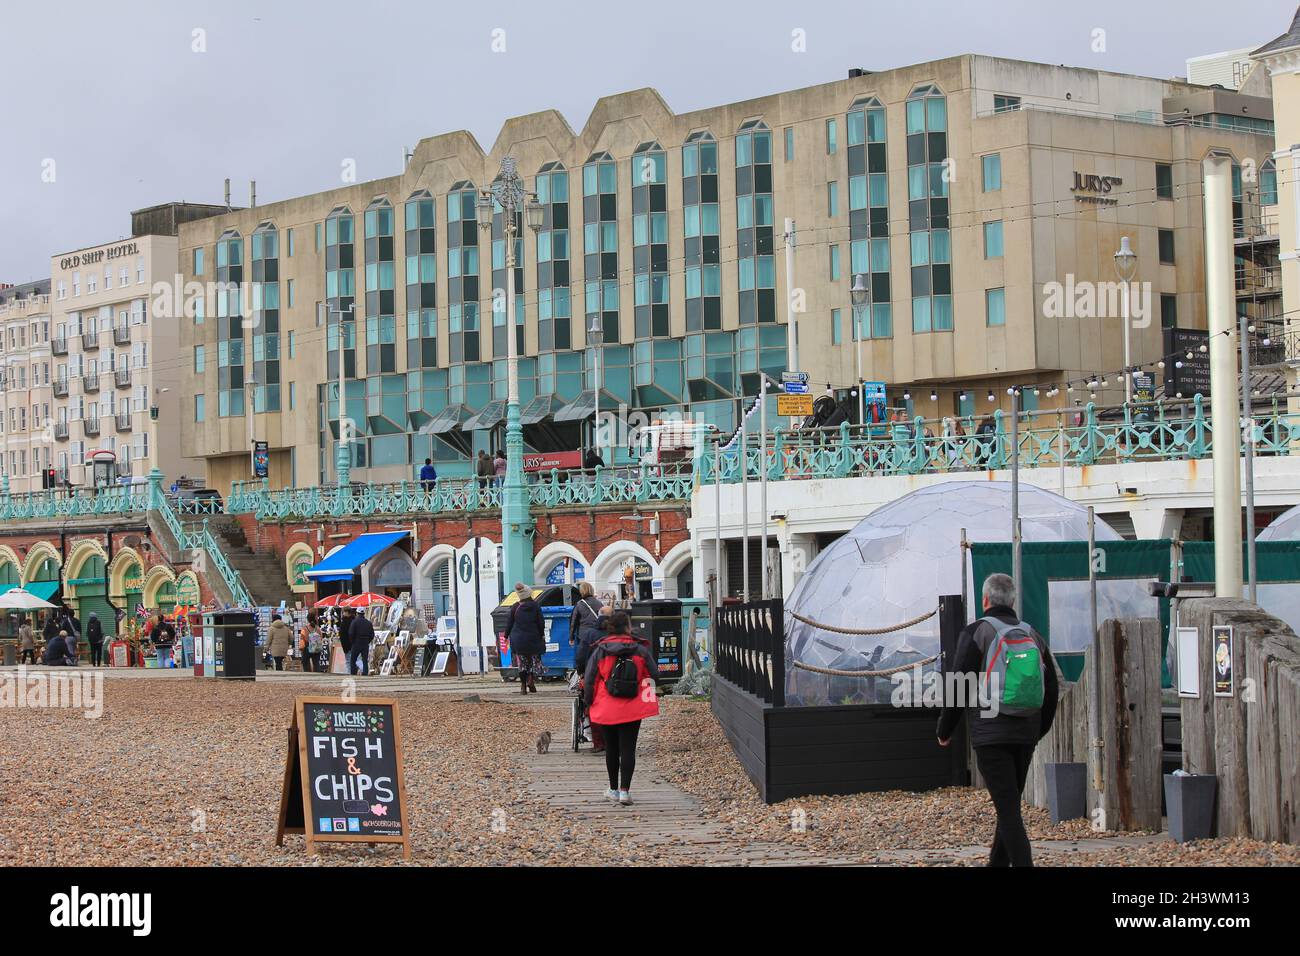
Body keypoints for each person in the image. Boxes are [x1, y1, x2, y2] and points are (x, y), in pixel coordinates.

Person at [937, 573, 1059, 867]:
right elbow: (1051, 688)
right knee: (1009, 807)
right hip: (1026, 733)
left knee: (1009, 812)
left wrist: (945, 730)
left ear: (985, 600)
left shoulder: (978, 632)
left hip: (991, 736)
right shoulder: (1032, 634)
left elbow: (959, 685)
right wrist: (1038, 729)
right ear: (1013, 600)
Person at [583, 610, 659, 805]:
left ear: (610, 627)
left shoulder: (601, 649)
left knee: (611, 749)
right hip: (633, 706)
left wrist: (588, 701)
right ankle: (625, 791)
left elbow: (590, 678)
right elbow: (654, 675)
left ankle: (613, 789)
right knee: (628, 749)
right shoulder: (640, 649)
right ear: (627, 627)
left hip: (606, 705)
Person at [570, 582, 607, 752]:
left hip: (585, 640)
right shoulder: (599, 604)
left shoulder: (579, 604)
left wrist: (580, 671)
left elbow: (573, 621)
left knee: (589, 701)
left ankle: (596, 739)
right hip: (608, 674)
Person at [505, 583, 545, 694]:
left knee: (522, 663)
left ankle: (523, 686)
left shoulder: (515, 607)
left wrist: (505, 636)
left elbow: (509, 623)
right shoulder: (536, 606)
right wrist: (541, 634)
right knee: (532, 660)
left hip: (518, 639)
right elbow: (541, 622)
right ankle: (531, 680)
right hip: (533, 638)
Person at [348, 609, 375, 676]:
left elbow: (351, 633)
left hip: (356, 642)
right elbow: (372, 635)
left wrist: (352, 641)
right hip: (365, 643)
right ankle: (365, 673)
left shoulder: (354, 622)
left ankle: (353, 673)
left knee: (353, 659)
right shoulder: (368, 623)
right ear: (364, 614)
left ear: (357, 613)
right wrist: (367, 641)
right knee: (365, 660)